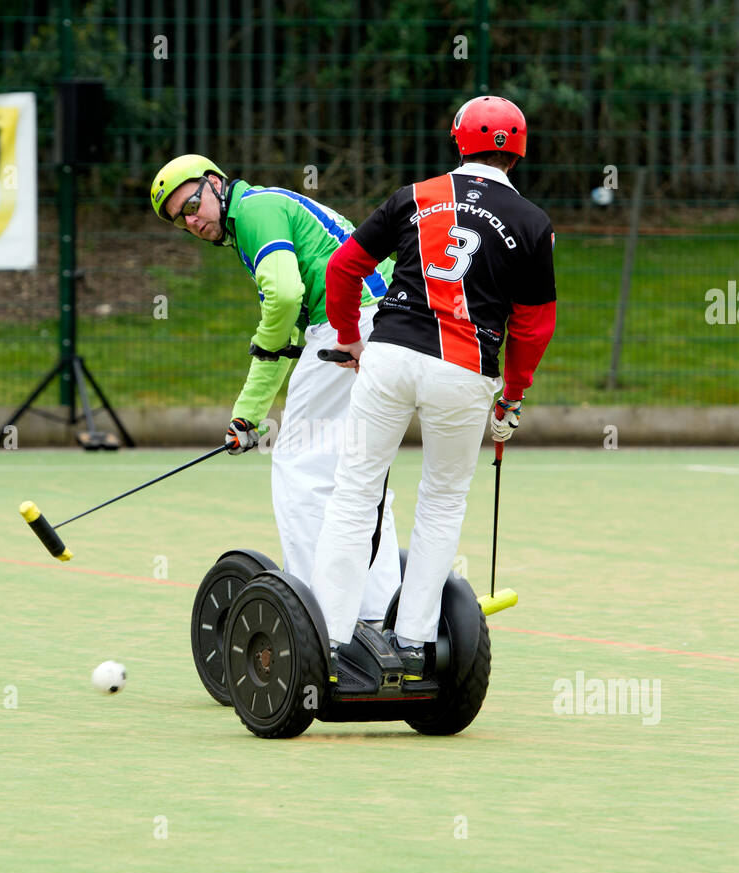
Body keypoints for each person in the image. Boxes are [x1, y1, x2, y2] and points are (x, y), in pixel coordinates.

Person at [310, 95, 557, 679]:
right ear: (517, 155)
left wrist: (349, 340)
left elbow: (342, 269)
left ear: (457, 141)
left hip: (391, 354)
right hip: (465, 373)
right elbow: (534, 325)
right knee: (441, 502)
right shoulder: (532, 222)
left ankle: (332, 639)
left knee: (355, 493)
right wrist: (513, 397)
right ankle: (416, 644)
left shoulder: (413, 197)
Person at [148, 154, 402, 622]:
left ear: (214, 182)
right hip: (390, 324)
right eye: (180, 221)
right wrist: (247, 416)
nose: (191, 222)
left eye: (191, 205)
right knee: (360, 475)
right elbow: (282, 337)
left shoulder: (254, 212)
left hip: (347, 327)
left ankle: (318, 616)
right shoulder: (266, 210)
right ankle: (383, 612)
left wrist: (252, 405)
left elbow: (285, 298)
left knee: (299, 465)